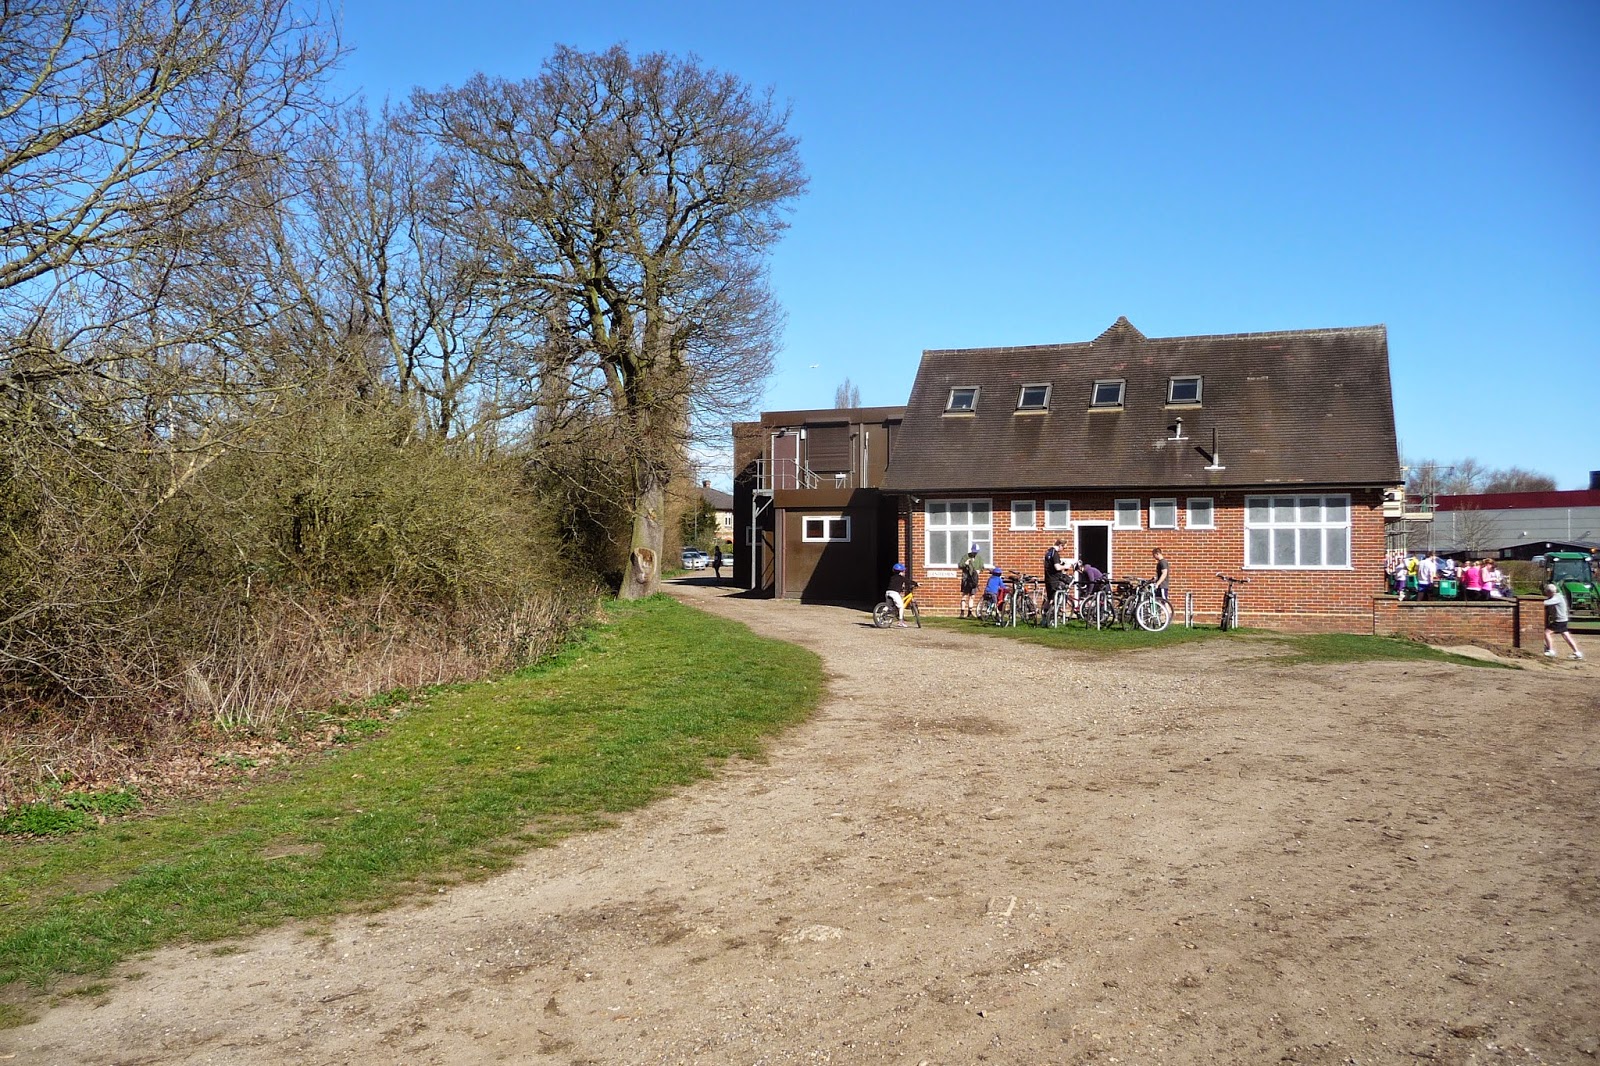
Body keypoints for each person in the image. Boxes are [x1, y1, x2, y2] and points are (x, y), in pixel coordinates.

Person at [1543, 582, 1584, 660]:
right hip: (1563, 619)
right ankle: (1577, 653)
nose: (1546, 593)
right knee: (1566, 636)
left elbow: (1545, 603)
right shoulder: (1557, 596)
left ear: (1549, 592)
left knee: (1547, 633)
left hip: (1559, 620)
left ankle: (1550, 651)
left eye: (1546, 592)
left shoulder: (1556, 598)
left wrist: (1535, 601)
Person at [885, 562, 913, 627]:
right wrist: (916, 583)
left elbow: (895, 585)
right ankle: (901, 621)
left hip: (888, 592)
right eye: (903, 571)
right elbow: (908, 581)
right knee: (901, 606)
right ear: (900, 572)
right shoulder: (901, 578)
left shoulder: (892, 577)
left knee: (889, 606)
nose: (903, 572)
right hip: (894, 593)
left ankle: (882, 614)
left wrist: (901, 589)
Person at [959, 544, 984, 618]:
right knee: (964, 595)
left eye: (976, 552)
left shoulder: (979, 558)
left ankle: (970, 613)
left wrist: (979, 570)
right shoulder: (966, 556)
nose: (974, 553)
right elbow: (960, 565)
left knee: (972, 596)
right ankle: (962, 612)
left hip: (974, 580)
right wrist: (965, 564)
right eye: (974, 551)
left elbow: (982, 567)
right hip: (966, 579)